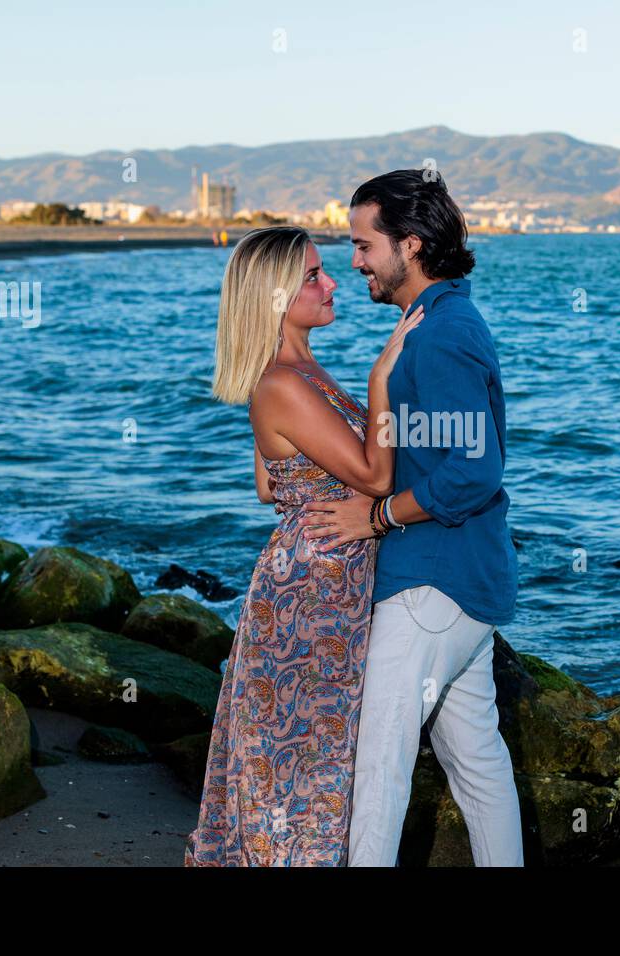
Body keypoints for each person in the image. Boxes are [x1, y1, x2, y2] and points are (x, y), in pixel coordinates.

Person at [300, 170, 522, 866]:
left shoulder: (440, 335)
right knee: (478, 763)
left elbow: (474, 469)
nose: (355, 262)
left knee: (379, 764)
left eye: (364, 246)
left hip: (432, 583)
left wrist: (380, 516)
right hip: (458, 577)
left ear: (412, 244)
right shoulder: (434, 320)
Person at [184, 225, 423, 866]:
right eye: (313, 275)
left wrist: (315, 492)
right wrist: (383, 377)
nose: (332, 282)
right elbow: (374, 475)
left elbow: (268, 485)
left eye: (324, 270)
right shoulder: (284, 383)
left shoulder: (294, 372)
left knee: (307, 750)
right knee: (302, 760)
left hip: (314, 577)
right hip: (312, 592)